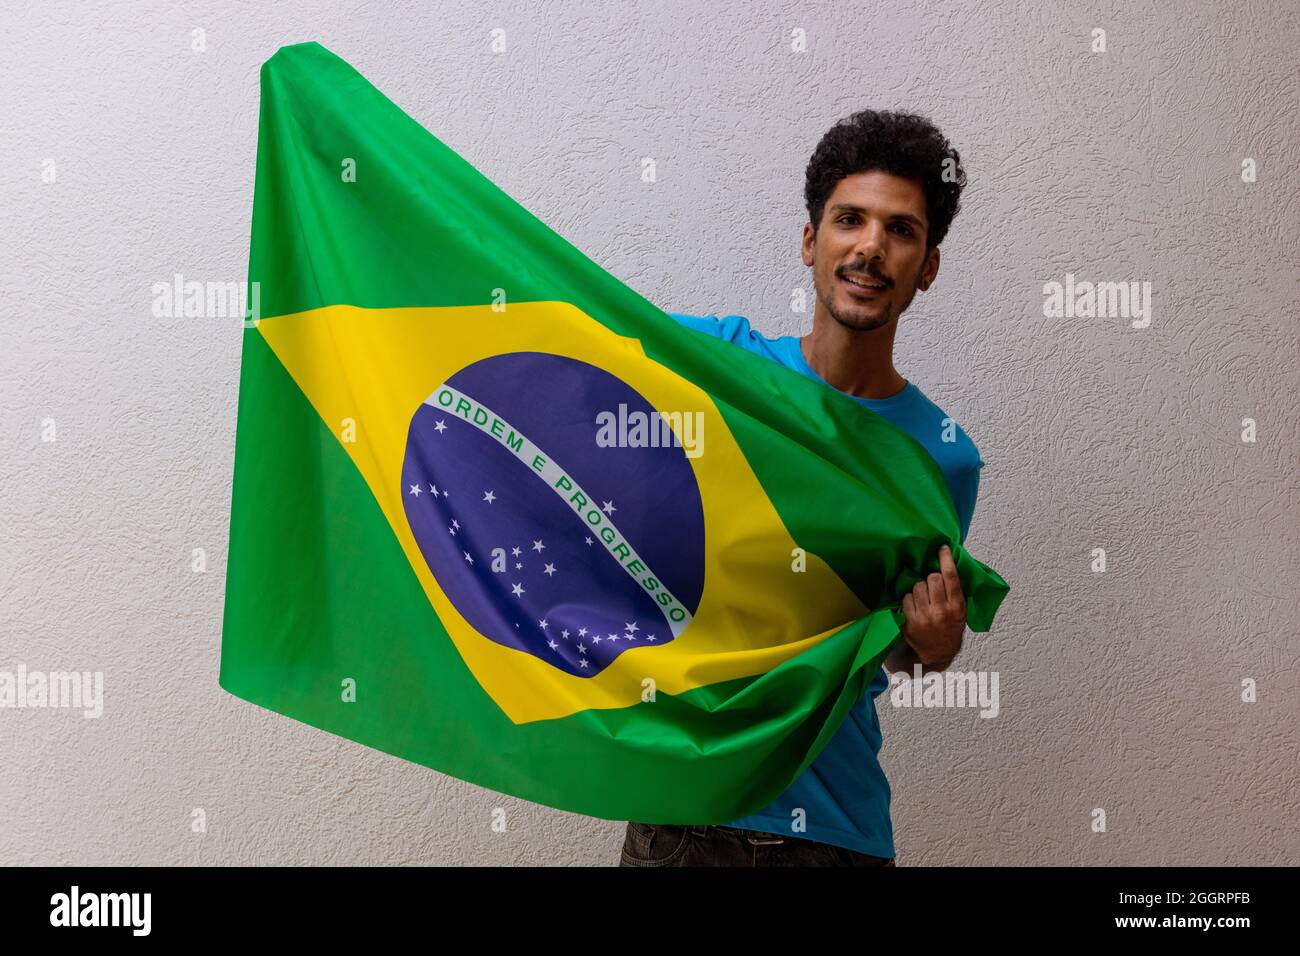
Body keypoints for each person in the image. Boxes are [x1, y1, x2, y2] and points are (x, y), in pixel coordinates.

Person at [619, 109, 982, 867]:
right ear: (812, 241)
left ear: (929, 265)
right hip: (683, 819)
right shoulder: (715, 365)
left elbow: (898, 648)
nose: (871, 247)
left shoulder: (942, 458)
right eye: (849, 220)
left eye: (902, 230)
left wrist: (936, 646)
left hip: (833, 833)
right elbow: (558, 340)